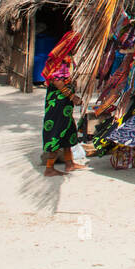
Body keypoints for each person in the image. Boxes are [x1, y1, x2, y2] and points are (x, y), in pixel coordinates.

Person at [41, 32, 87, 177]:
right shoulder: (60, 61)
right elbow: (57, 81)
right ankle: (49, 168)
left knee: (67, 131)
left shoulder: (67, 59)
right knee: (56, 130)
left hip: (64, 104)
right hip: (58, 103)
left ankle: (69, 164)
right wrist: (73, 97)